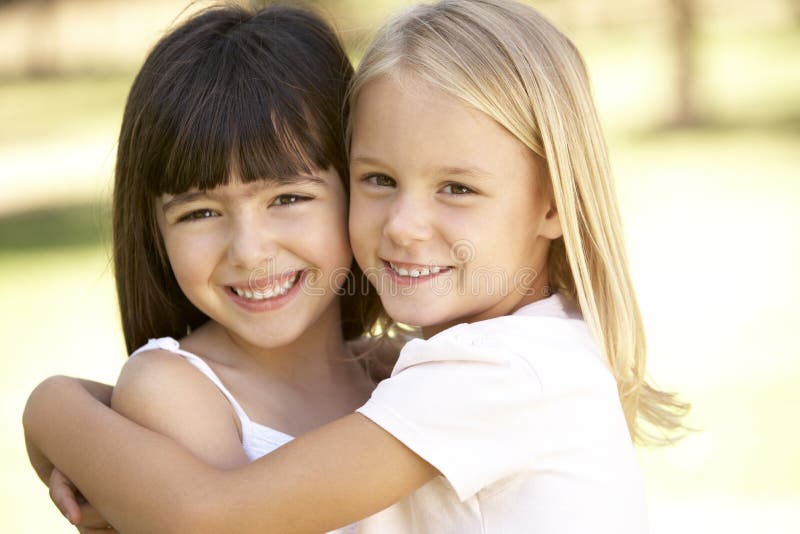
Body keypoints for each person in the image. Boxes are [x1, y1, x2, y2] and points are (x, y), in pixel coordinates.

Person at [25, 1, 689, 532]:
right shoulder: (448, 364)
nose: (403, 224)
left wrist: (48, 409)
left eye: (457, 188)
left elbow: (208, 517)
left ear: (553, 206)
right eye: (379, 179)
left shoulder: (503, 371)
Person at [25, 3, 393, 532]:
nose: (247, 250)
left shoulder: (401, 366)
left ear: (361, 186)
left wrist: (50, 411)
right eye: (200, 212)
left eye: (288, 198)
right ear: (154, 229)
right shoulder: (174, 391)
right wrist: (48, 407)